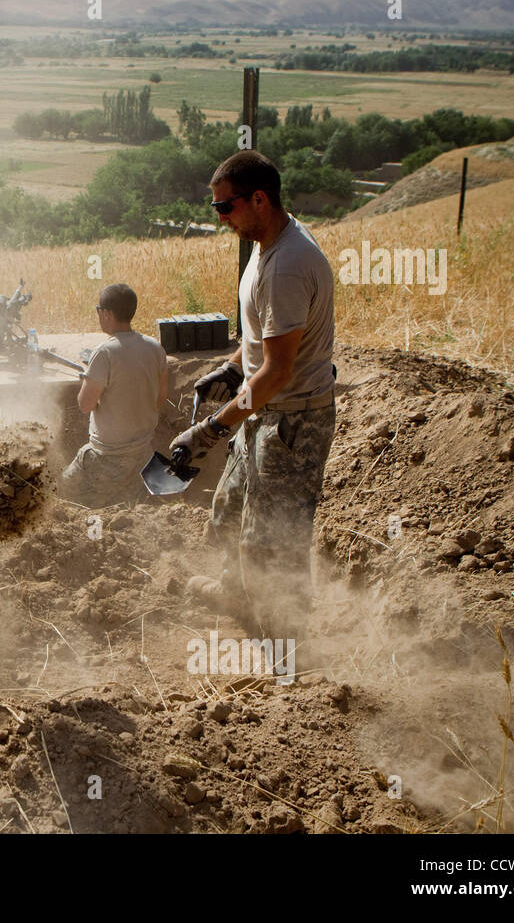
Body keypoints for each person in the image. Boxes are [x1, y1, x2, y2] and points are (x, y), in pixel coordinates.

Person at [171, 150, 336, 654]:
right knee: (227, 511)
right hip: (264, 416)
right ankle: (238, 599)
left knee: (273, 547)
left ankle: (290, 648)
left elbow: (279, 371)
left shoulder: (286, 267)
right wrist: (231, 366)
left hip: (290, 425)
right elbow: (263, 341)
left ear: (259, 199)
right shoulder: (268, 244)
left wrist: (211, 429)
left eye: (225, 208)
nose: (220, 219)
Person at [60, 283, 170, 508]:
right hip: (143, 455)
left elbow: (85, 404)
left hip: (105, 457)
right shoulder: (155, 347)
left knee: (62, 495)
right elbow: (160, 398)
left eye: (99, 311)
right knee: (127, 506)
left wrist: (88, 380)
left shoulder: (104, 353)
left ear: (107, 314)